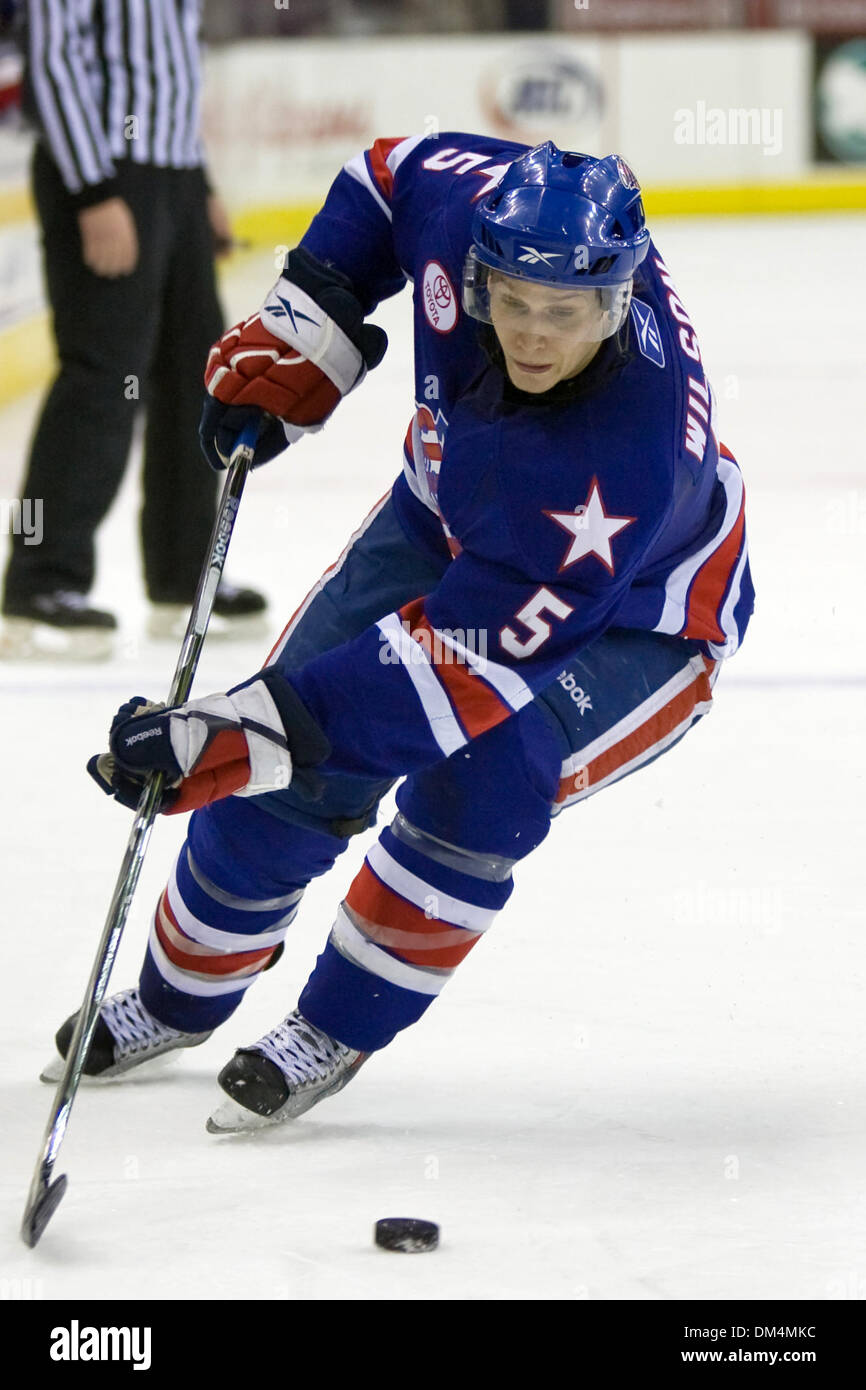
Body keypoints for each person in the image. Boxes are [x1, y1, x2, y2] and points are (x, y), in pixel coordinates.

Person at [43, 133, 754, 1132]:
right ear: (478, 269)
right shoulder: (465, 206)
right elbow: (387, 174)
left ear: (619, 299)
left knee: (478, 783)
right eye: (510, 302)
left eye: (565, 314)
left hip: (640, 617)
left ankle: (335, 1024)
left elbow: (432, 683)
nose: (532, 335)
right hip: (440, 518)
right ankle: (176, 996)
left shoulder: (617, 466)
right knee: (286, 770)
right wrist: (308, 328)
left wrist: (231, 734)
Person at [0, 0, 266, 660]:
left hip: (167, 174)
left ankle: (181, 577)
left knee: (194, 373)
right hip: (105, 171)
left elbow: (172, 71)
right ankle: (41, 581)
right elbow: (54, 59)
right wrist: (93, 191)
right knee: (102, 375)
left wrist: (195, 183)